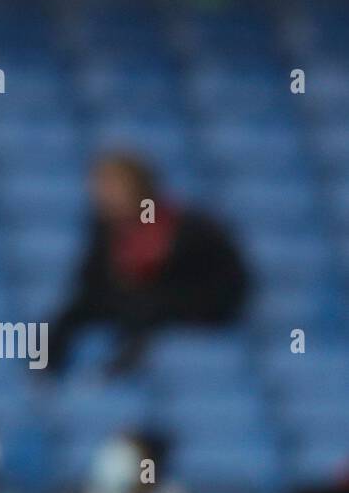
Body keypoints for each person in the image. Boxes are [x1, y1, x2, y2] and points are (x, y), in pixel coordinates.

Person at [49, 153, 249, 374]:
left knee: (145, 309)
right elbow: (91, 278)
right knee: (71, 314)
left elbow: (159, 263)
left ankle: (118, 372)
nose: (102, 194)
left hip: (190, 300)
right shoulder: (104, 228)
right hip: (132, 300)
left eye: (112, 186)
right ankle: (44, 375)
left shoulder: (172, 221)